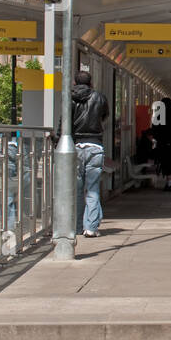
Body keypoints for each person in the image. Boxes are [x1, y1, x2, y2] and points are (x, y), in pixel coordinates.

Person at [70, 69, 109, 237]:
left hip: (77, 145)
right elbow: (105, 115)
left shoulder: (70, 98)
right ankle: (91, 228)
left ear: (74, 83)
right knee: (92, 189)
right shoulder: (99, 97)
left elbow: (64, 121)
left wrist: (58, 140)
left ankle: (78, 227)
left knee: (78, 189)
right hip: (95, 145)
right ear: (91, 83)